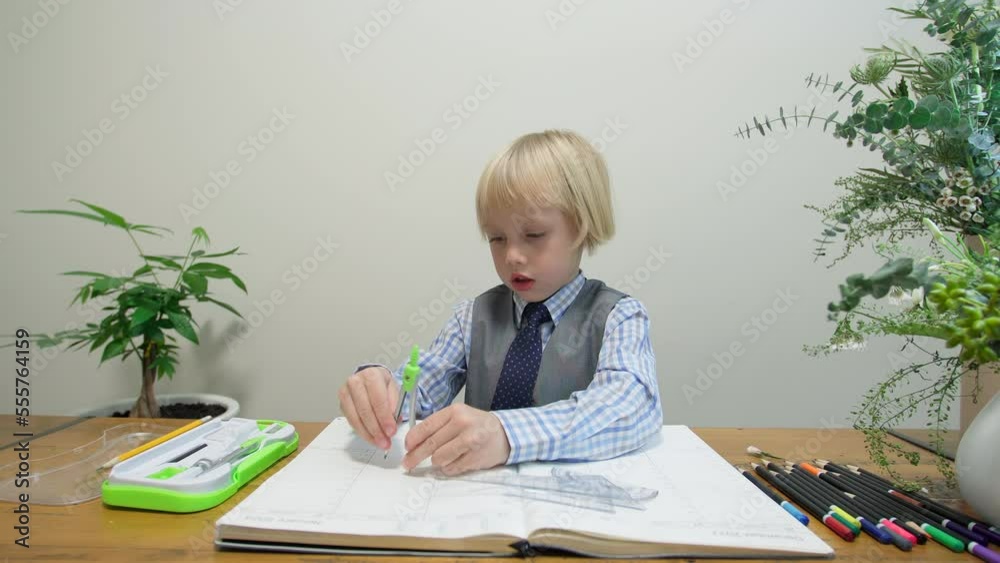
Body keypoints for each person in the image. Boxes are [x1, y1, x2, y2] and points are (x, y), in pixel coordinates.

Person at [339, 129, 662, 476]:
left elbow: (632, 407)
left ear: (584, 227)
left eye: (534, 235)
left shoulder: (619, 317)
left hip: (577, 498)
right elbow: (421, 392)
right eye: (496, 238)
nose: (512, 256)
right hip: (476, 498)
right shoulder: (472, 318)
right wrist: (381, 393)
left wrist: (507, 433)